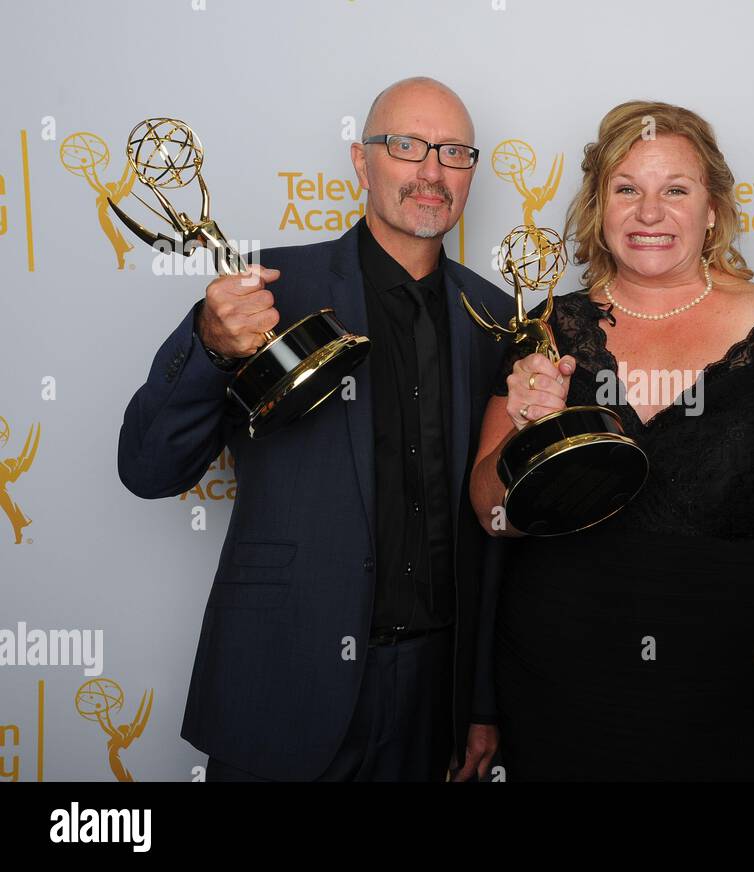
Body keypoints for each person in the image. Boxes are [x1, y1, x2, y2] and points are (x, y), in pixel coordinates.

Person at [118, 77, 515, 781]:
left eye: (454, 152)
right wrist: (211, 346)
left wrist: (479, 701)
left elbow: (494, 533)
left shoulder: (493, 315)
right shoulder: (268, 292)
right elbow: (149, 469)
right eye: (406, 146)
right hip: (282, 681)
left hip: (433, 701)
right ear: (362, 164)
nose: (431, 171)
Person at [469, 101, 754, 781]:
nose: (649, 212)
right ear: (598, 205)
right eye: (627, 188)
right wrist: (526, 431)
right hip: (558, 685)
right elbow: (491, 515)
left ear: (713, 209)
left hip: (727, 685)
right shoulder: (549, 330)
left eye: (675, 190)